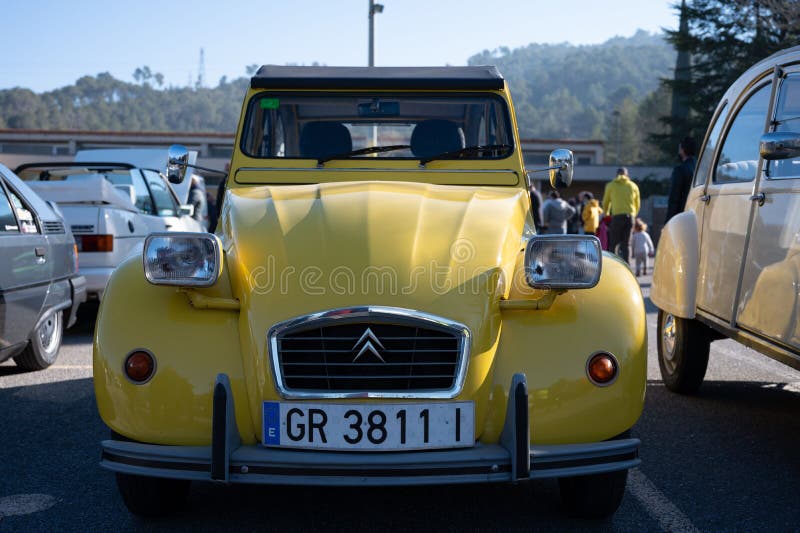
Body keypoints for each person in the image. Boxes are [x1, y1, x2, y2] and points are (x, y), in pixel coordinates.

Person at [602, 167, 640, 262]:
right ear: (627, 175)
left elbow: (606, 202)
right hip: (629, 216)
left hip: (617, 217)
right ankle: (628, 267)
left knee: (613, 243)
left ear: (616, 175)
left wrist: (606, 214)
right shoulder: (633, 186)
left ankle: (613, 264)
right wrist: (634, 215)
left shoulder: (611, 185)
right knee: (627, 244)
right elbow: (637, 203)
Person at [665, 136, 697, 223]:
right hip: (696, 214)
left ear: (682, 150)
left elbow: (674, 198)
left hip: (681, 215)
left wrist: (668, 221)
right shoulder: (700, 168)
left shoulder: (680, 170)